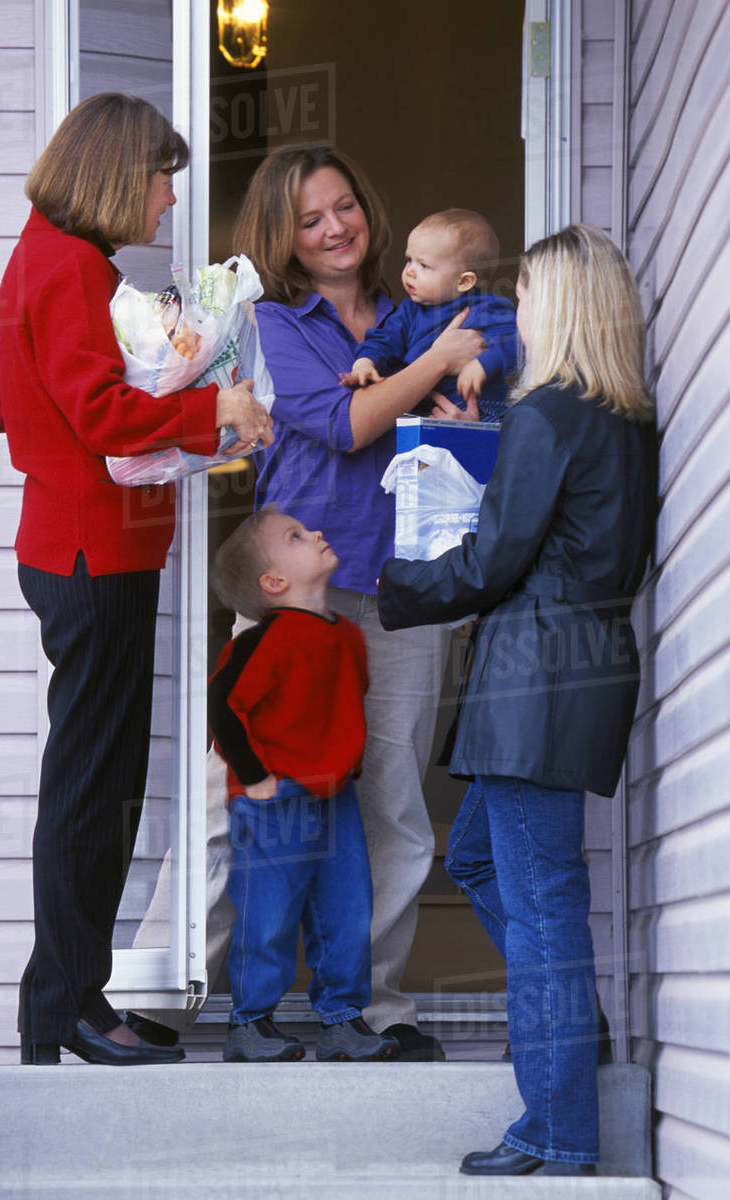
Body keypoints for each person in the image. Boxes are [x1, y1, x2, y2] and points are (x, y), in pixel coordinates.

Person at [0, 92, 273, 1067]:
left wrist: (145, 367)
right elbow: (98, 417)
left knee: (97, 784)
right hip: (88, 554)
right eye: (161, 179)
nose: (167, 201)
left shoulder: (46, 259)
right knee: (91, 792)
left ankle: (70, 1000)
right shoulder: (67, 265)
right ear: (116, 175)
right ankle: (66, 1009)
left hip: (76, 549)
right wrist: (211, 407)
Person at [377, 224, 657, 1174]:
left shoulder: (546, 415)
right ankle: (571, 1029)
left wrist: (401, 584)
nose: (516, 309)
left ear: (565, 309)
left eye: (528, 293)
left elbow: (495, 560)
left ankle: (555, 1131)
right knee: (484, 864)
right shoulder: (623, 420)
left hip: (535, 677)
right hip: (578, 668)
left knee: (541, 908)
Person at [232, 144, 486, 1060]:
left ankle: (371, 1009)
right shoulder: (272, 323)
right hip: (298, 599)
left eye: (345, 206)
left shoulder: (414, 315)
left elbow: (440, 429)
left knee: (392, 807)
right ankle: (223, 998)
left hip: (405, 590)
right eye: (310, 218)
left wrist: (459, 399)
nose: (336, 227)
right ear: (283, 237)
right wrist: (442, 357)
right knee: (264, 800)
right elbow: (344, 425)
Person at [208, 508, 399, 1063]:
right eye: (294, 537)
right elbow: (224, 706)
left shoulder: (348, 637)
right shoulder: (266, 640)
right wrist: (254, 777)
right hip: (277, 797)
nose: (317, 533)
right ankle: (249, 1023)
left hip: (334, 796)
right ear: (274, 583)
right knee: (268, 913)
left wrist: (345, 770)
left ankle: (342, 1019)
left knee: (346, 910)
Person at [349, 209, 517, 422]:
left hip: (481, 407)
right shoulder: (409, 311)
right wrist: (365, 361)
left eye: (424, 265)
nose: (409, 271)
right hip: (422, 409)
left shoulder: (487, 308)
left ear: (464, 282)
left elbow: (515, 343)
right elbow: (384, 339)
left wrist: (483, 364)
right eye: (409, 260)